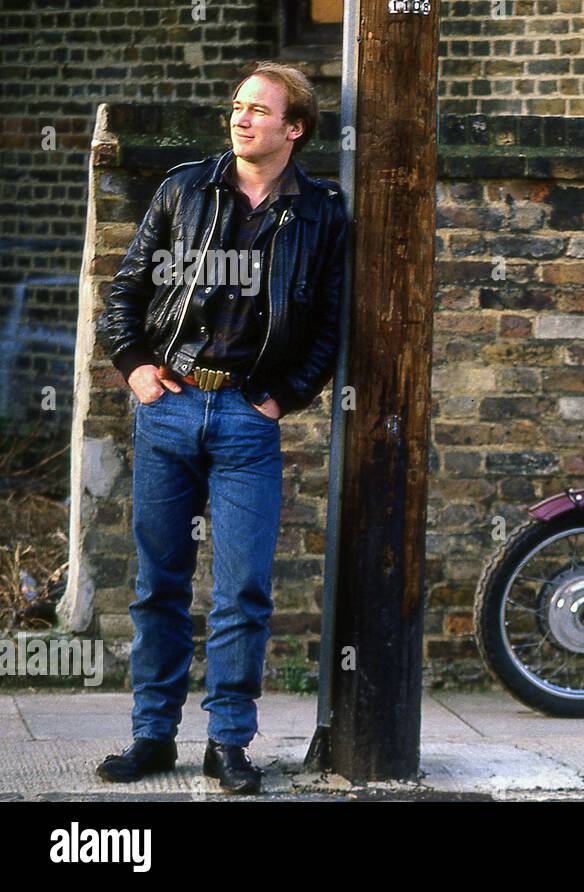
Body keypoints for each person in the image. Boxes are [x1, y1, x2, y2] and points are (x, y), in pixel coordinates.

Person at [96, 61, 347, 794]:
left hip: (247, 416)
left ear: (294, 128)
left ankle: (228, 742)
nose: (241, 119)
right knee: (159, 584)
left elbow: (331, 327)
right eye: (237, 107)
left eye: (259, 111)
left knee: (242, 590)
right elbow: (126, 291)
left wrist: (282, 399)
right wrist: (138, 368)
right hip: (169, 407)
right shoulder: (184, 189)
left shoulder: (322, 212)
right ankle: (152, 736)